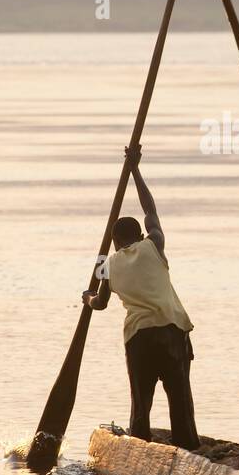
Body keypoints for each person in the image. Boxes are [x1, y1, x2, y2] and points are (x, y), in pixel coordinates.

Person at [83, 146, 199, 450]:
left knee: (141, 402)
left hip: (139, 338)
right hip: (172, 331)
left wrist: (87, 298)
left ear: (115, 241)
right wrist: (135, 169)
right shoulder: (154, 245)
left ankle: (139, 443)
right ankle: (186, 445)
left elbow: (100, 303)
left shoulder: (108, 265)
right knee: (180, 400)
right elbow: (151, 211)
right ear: (139, 234)